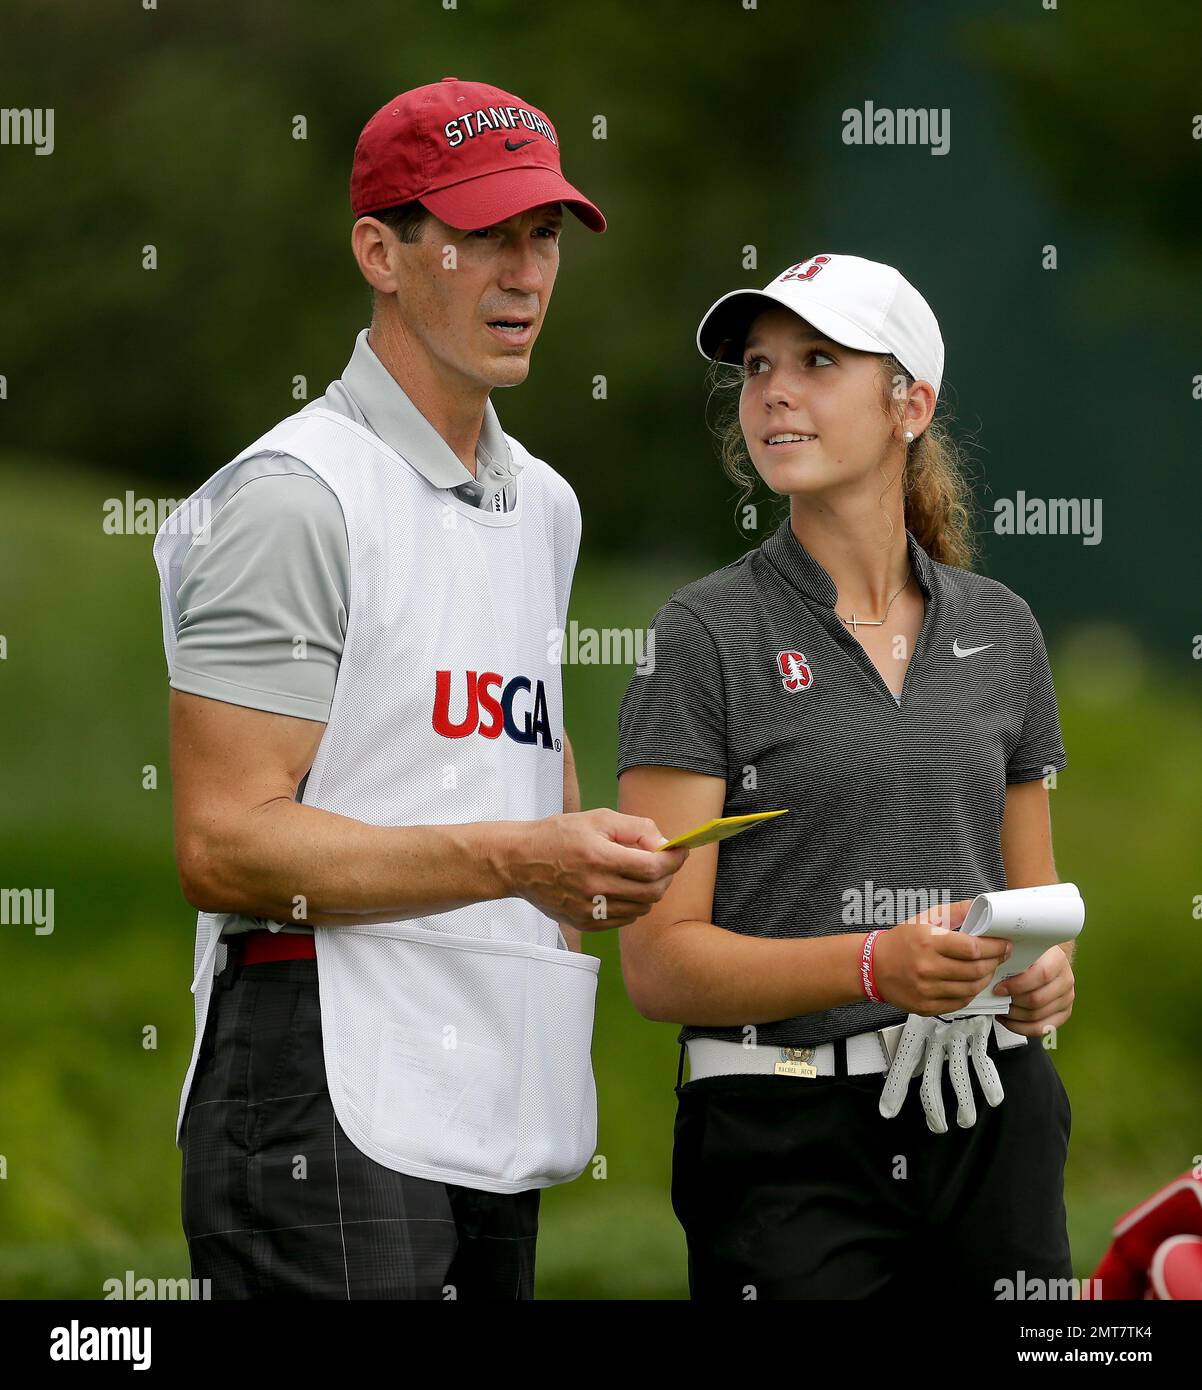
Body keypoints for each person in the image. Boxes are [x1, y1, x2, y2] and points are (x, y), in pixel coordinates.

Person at [152, 77, 686, 1301]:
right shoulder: (293, 496)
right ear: (379, 252)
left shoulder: (542, 504)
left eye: (541, 233)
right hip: (315, 1077)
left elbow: (518, 776)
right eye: (480, 233)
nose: (523, 272)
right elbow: (224, 843)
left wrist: (592, 875)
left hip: (489, 1077)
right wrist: (517, 857)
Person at [615, 252, 1077, 1299]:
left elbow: (1029, 907)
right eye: (756, 366)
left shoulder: (1001, 628)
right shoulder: (701, 633)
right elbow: (660, 966)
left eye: (817, 360)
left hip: (988, 1116)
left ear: (908, 403)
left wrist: (1037, 983)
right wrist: (873, 965)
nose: (772, 389)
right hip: (783, 1140)